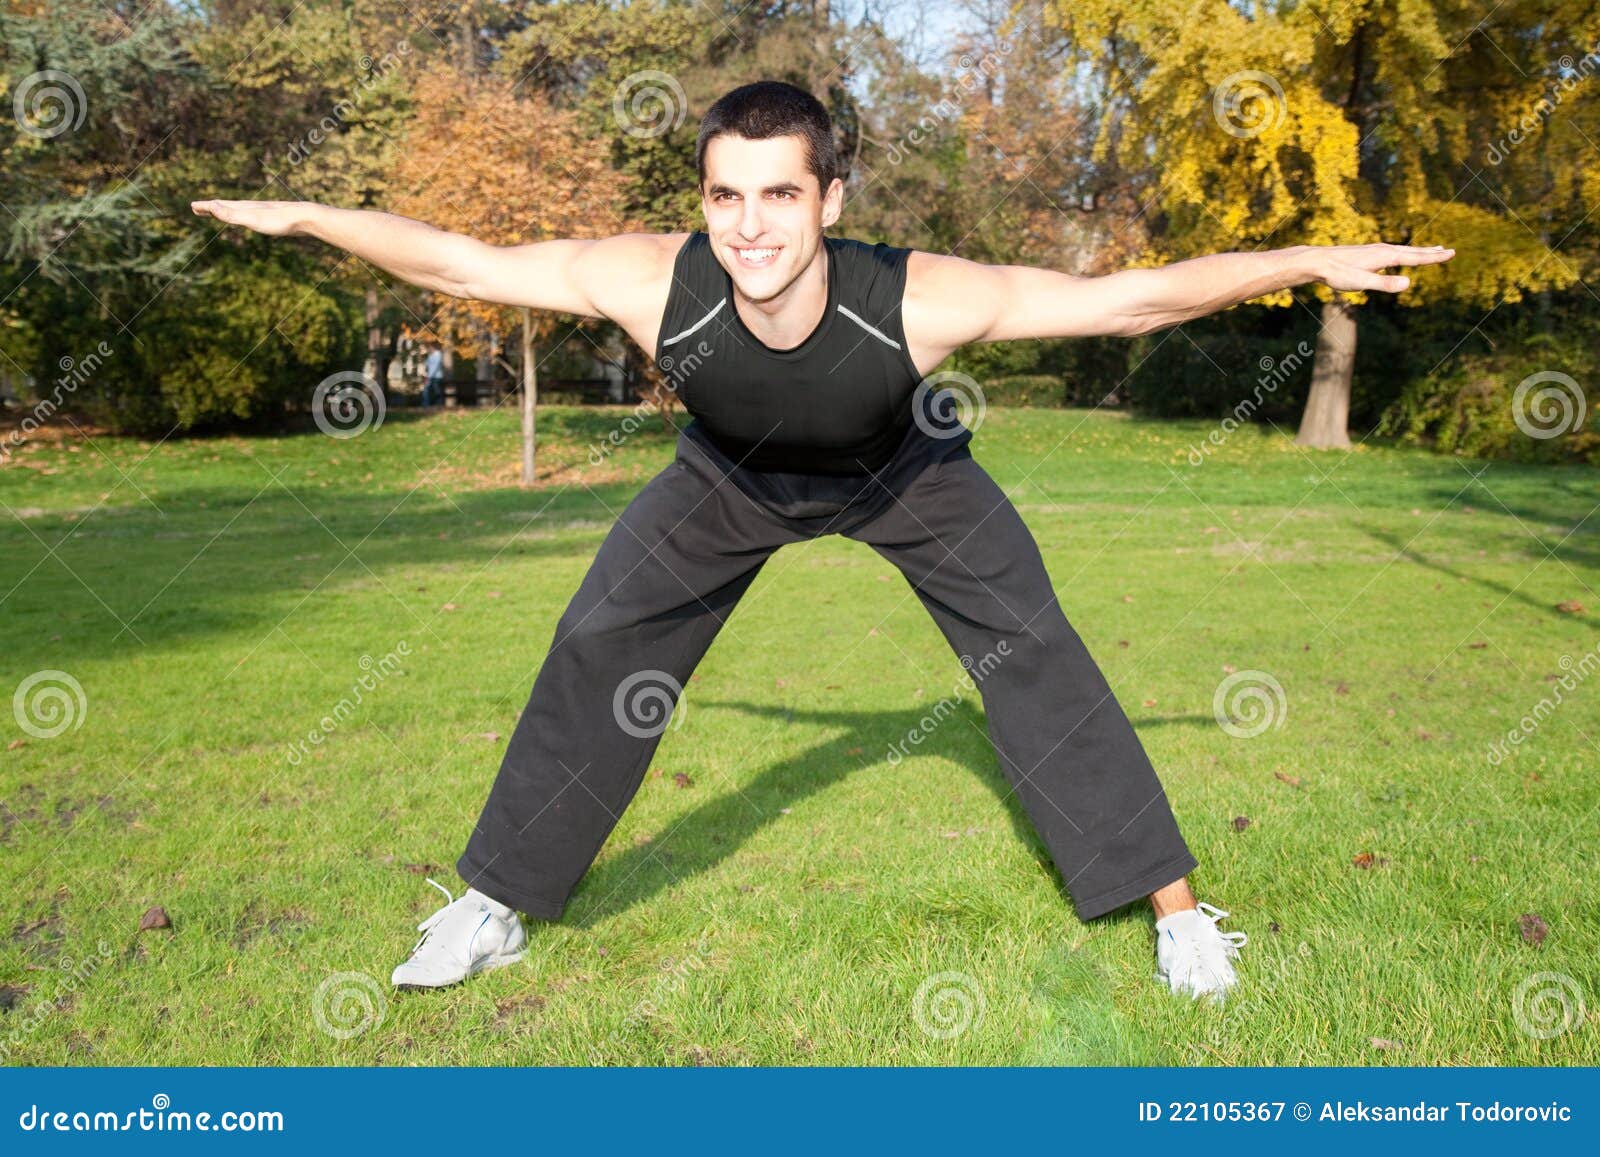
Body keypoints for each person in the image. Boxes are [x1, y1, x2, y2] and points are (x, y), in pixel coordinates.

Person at [190, 82, 1452, 1004]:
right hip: (726, 480)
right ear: (702, 200)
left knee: (1035, 650)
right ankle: (494, 904)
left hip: (903, 473)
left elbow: (1128, 301)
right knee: (595, 638)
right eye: (725, 196)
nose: (749, 226)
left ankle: (1177, 914)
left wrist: (1306, 258)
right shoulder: (649, 277)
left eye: (778, 194)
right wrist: (310, 216)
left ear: (829, 197)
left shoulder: (919, 295)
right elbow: (461, 261)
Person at [420, 342, 444, 408]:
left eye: (429, 348)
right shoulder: (431, 355)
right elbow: (427, 364)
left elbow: (435, 367)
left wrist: (429, 376)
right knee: (427, 390)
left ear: (432, 347)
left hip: (436, 377)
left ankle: (439, 404)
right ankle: (426, 404)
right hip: (430, 376)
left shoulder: (438, 355)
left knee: (436, 390)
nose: (428, 349)